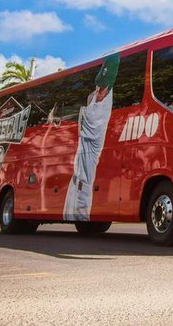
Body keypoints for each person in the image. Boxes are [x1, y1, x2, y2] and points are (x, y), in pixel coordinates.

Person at [63, 53, 119, 221]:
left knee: (82, 214)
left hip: (83, 188)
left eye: (101, 89)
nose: (97, 92)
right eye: (97, 87)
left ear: (108, 90)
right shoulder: (98, 99)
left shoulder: (100, 113)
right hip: (75, 181)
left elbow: (86, 118)